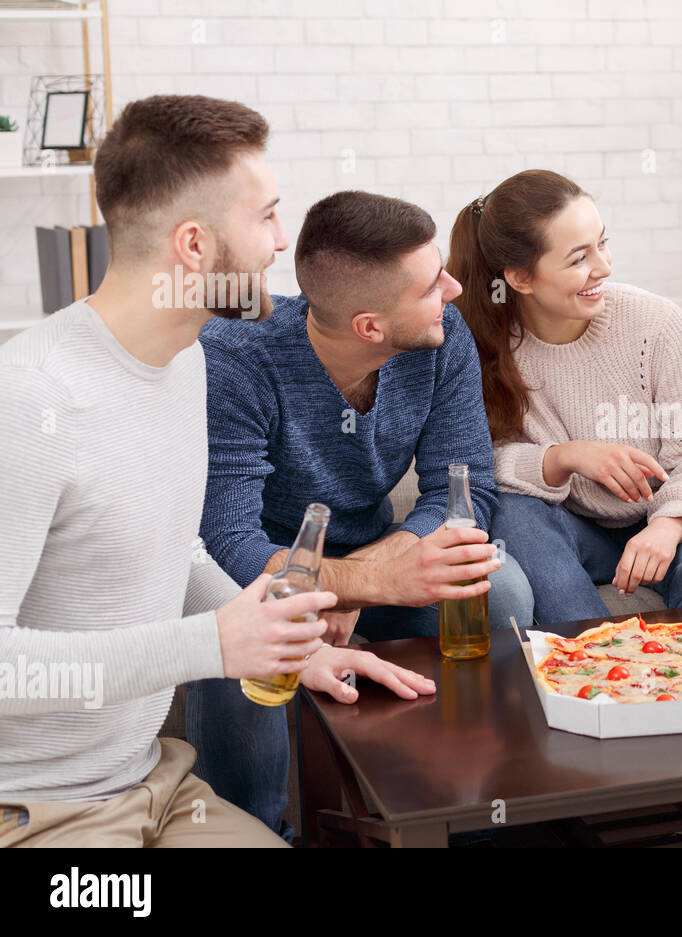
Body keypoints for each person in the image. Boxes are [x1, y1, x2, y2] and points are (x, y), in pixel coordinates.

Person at [0, 95, 428, 848]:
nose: (281, 241)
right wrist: (213, 644)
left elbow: (180, 548)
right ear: (194, 245)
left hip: (155, 784)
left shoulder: (187, 360)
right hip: (36, 814)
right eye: (265, 216)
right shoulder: (32, 398)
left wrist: (300, 644)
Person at [193, 190, 533, 838]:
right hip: (263, 577)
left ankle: (482, 813)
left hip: (366, 552)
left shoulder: (442, 336)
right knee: (233, 638)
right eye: (433, 282)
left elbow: (465, 491)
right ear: (369, 326)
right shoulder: (235, 356)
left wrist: (351, 577)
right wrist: (356, 582)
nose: (456, 288)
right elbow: (227, 543)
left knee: (502, 587)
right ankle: (255, 831)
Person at [448, 169, 682, 623]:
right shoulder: (482, 344)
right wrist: (565, 456)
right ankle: (594, 662)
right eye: (578, 259)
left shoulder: (654, 324)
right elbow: (473, 464)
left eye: (602, 244)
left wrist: (667, 526)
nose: (604, 267)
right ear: (521, 278)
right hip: (579, 531)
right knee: (514, 514)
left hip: (680, 521)